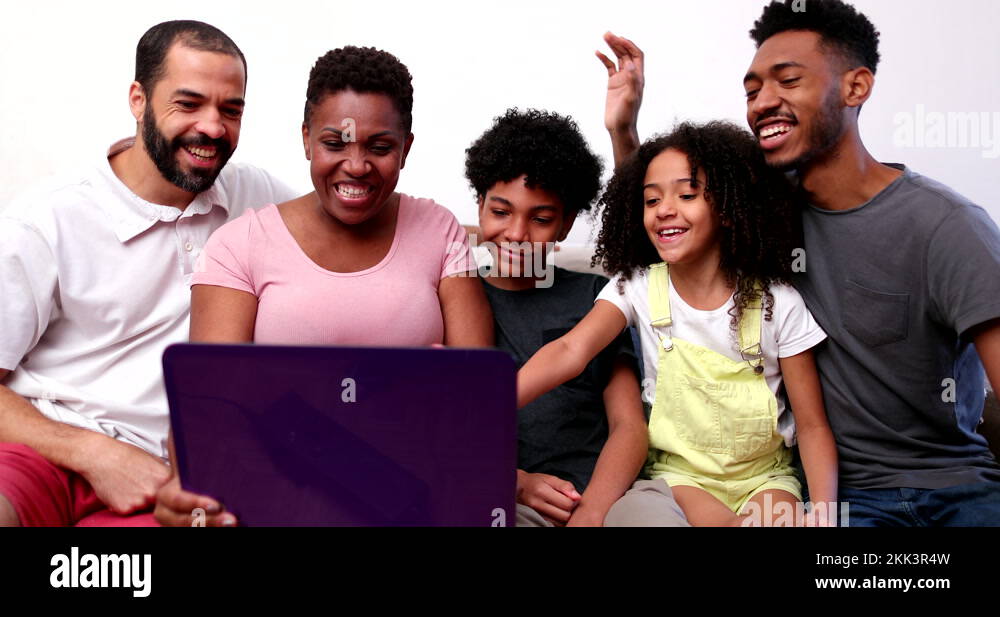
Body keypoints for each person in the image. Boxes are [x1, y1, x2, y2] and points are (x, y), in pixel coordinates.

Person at [612, 0, 1000, 525]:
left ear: (855, 88)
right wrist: (624, 133)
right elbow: (667, 230)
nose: (762, 103)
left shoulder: (947, 226)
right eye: (752, 91)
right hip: (845, 494)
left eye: (788, 81)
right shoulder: (760, 216)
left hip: (958, 486)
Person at [154, 46, 493, 526]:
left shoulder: (438, 231)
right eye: (336, 143)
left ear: (406, 148)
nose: (356, 166)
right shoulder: (240, 245)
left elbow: (477, 398)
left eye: (379, 147)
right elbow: (208, 407)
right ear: (307, 139)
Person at [0, 20, 296, 527]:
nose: (213, 127)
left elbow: (355, 223)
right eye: (189, 103)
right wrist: (95, 454)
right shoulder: (46, 219)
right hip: (41, 448)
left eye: (232, 109)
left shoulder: (261, 200)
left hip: (167, 482)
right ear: (138, 100)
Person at [517, 120, 838, 526]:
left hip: (766, 479)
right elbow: (569, 350)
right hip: (680, 479)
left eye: (687, 194)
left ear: (730, 206)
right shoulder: (635, 288)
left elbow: (811, 425)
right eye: (651, 201)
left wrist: (824, 512)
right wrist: (496, 403)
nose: (664, 209)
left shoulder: (778, 303)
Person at [466, 108, 648, 526]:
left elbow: (629, 426)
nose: (516, 233)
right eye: (501, 212)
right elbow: (440, 424)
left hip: (598, 495)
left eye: (541, 219)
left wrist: (594, 511)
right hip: (506, 495)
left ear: (566, 225)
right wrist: (515, 481)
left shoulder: (593, 297)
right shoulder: (458, 293)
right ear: (480, 205)